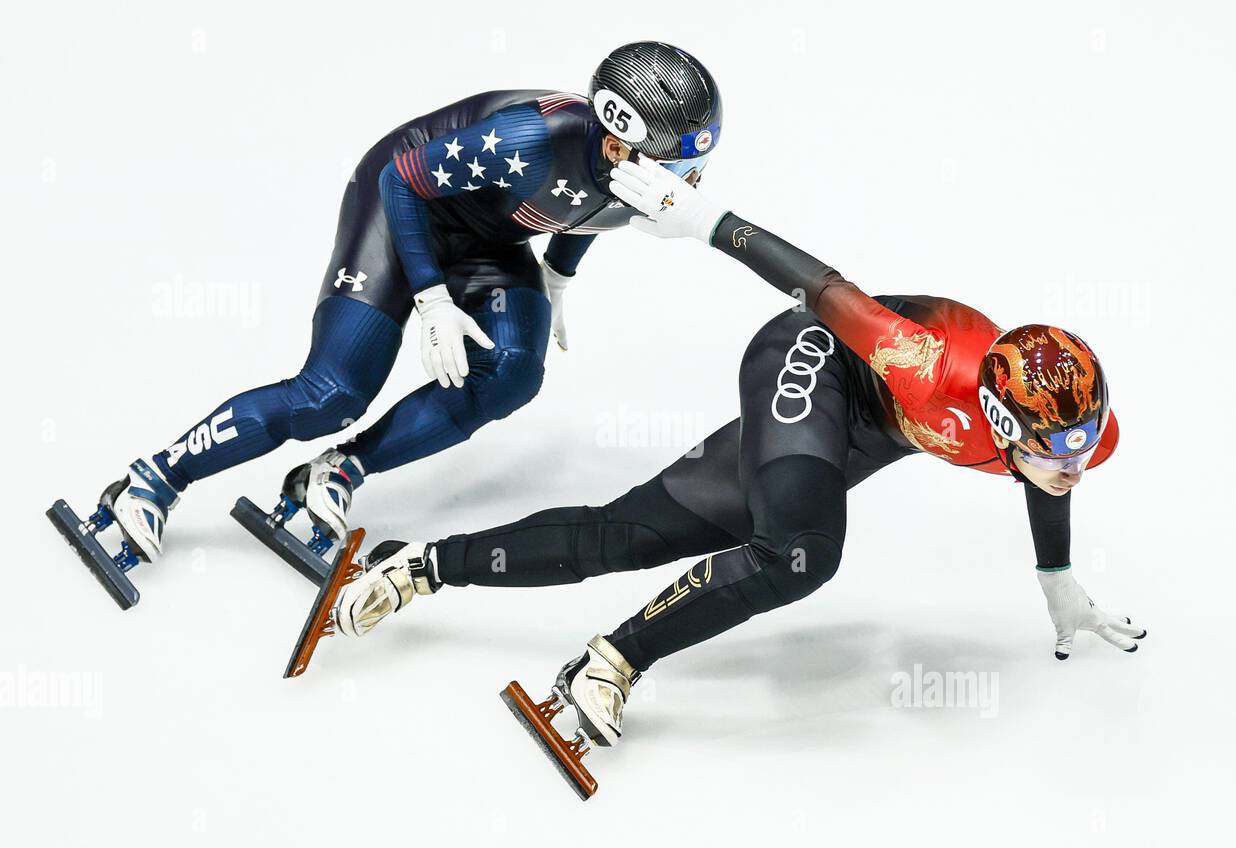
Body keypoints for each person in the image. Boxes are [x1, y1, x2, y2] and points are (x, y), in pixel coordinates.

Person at [325, 157, 1145, 752]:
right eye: (1050, 450)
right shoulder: (926, 363)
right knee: (800, 554)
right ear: (998, 419)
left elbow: (1045, 475)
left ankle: (419, 567)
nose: (1073, 466)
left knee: (628, 535)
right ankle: (610, 664)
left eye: (1081, 450)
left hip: (862, 430)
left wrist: (1056, 576)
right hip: (815, 357)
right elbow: (823, 288)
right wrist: (706, 222)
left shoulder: (1079, 433)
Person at [50, 43, 724, 605]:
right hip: (402, 200)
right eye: (677, 167)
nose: (686, 183)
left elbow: (591, 211)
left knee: (514, 373)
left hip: (490, 235)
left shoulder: (634, 177)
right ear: (613, 141)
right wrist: (431, 300)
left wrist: (558, 275)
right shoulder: (532, 135)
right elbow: (404, 180)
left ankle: (339, 471)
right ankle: (155, 477)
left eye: (696, 164)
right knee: (332, 394)